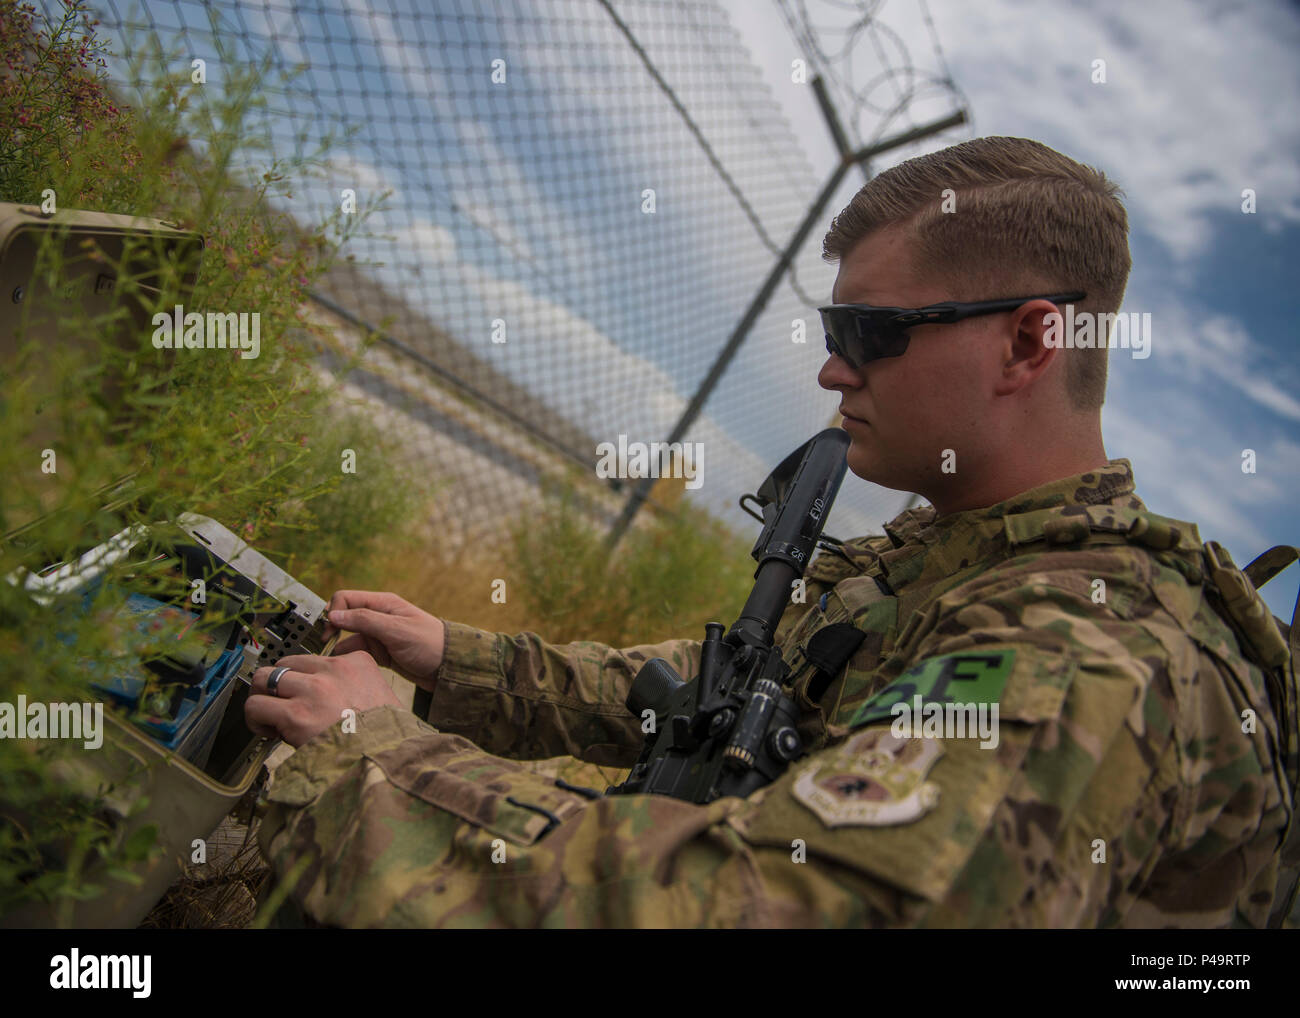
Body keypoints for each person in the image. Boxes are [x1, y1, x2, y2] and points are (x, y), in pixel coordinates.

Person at [245, 136, 1298, 928]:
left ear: (1027, 340)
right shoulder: (938, 555)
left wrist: (376, 753)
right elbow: (690, 699)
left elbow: (771, 900)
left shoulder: (1084, 649)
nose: (832, 369)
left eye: (866, 333)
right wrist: (456, 658)